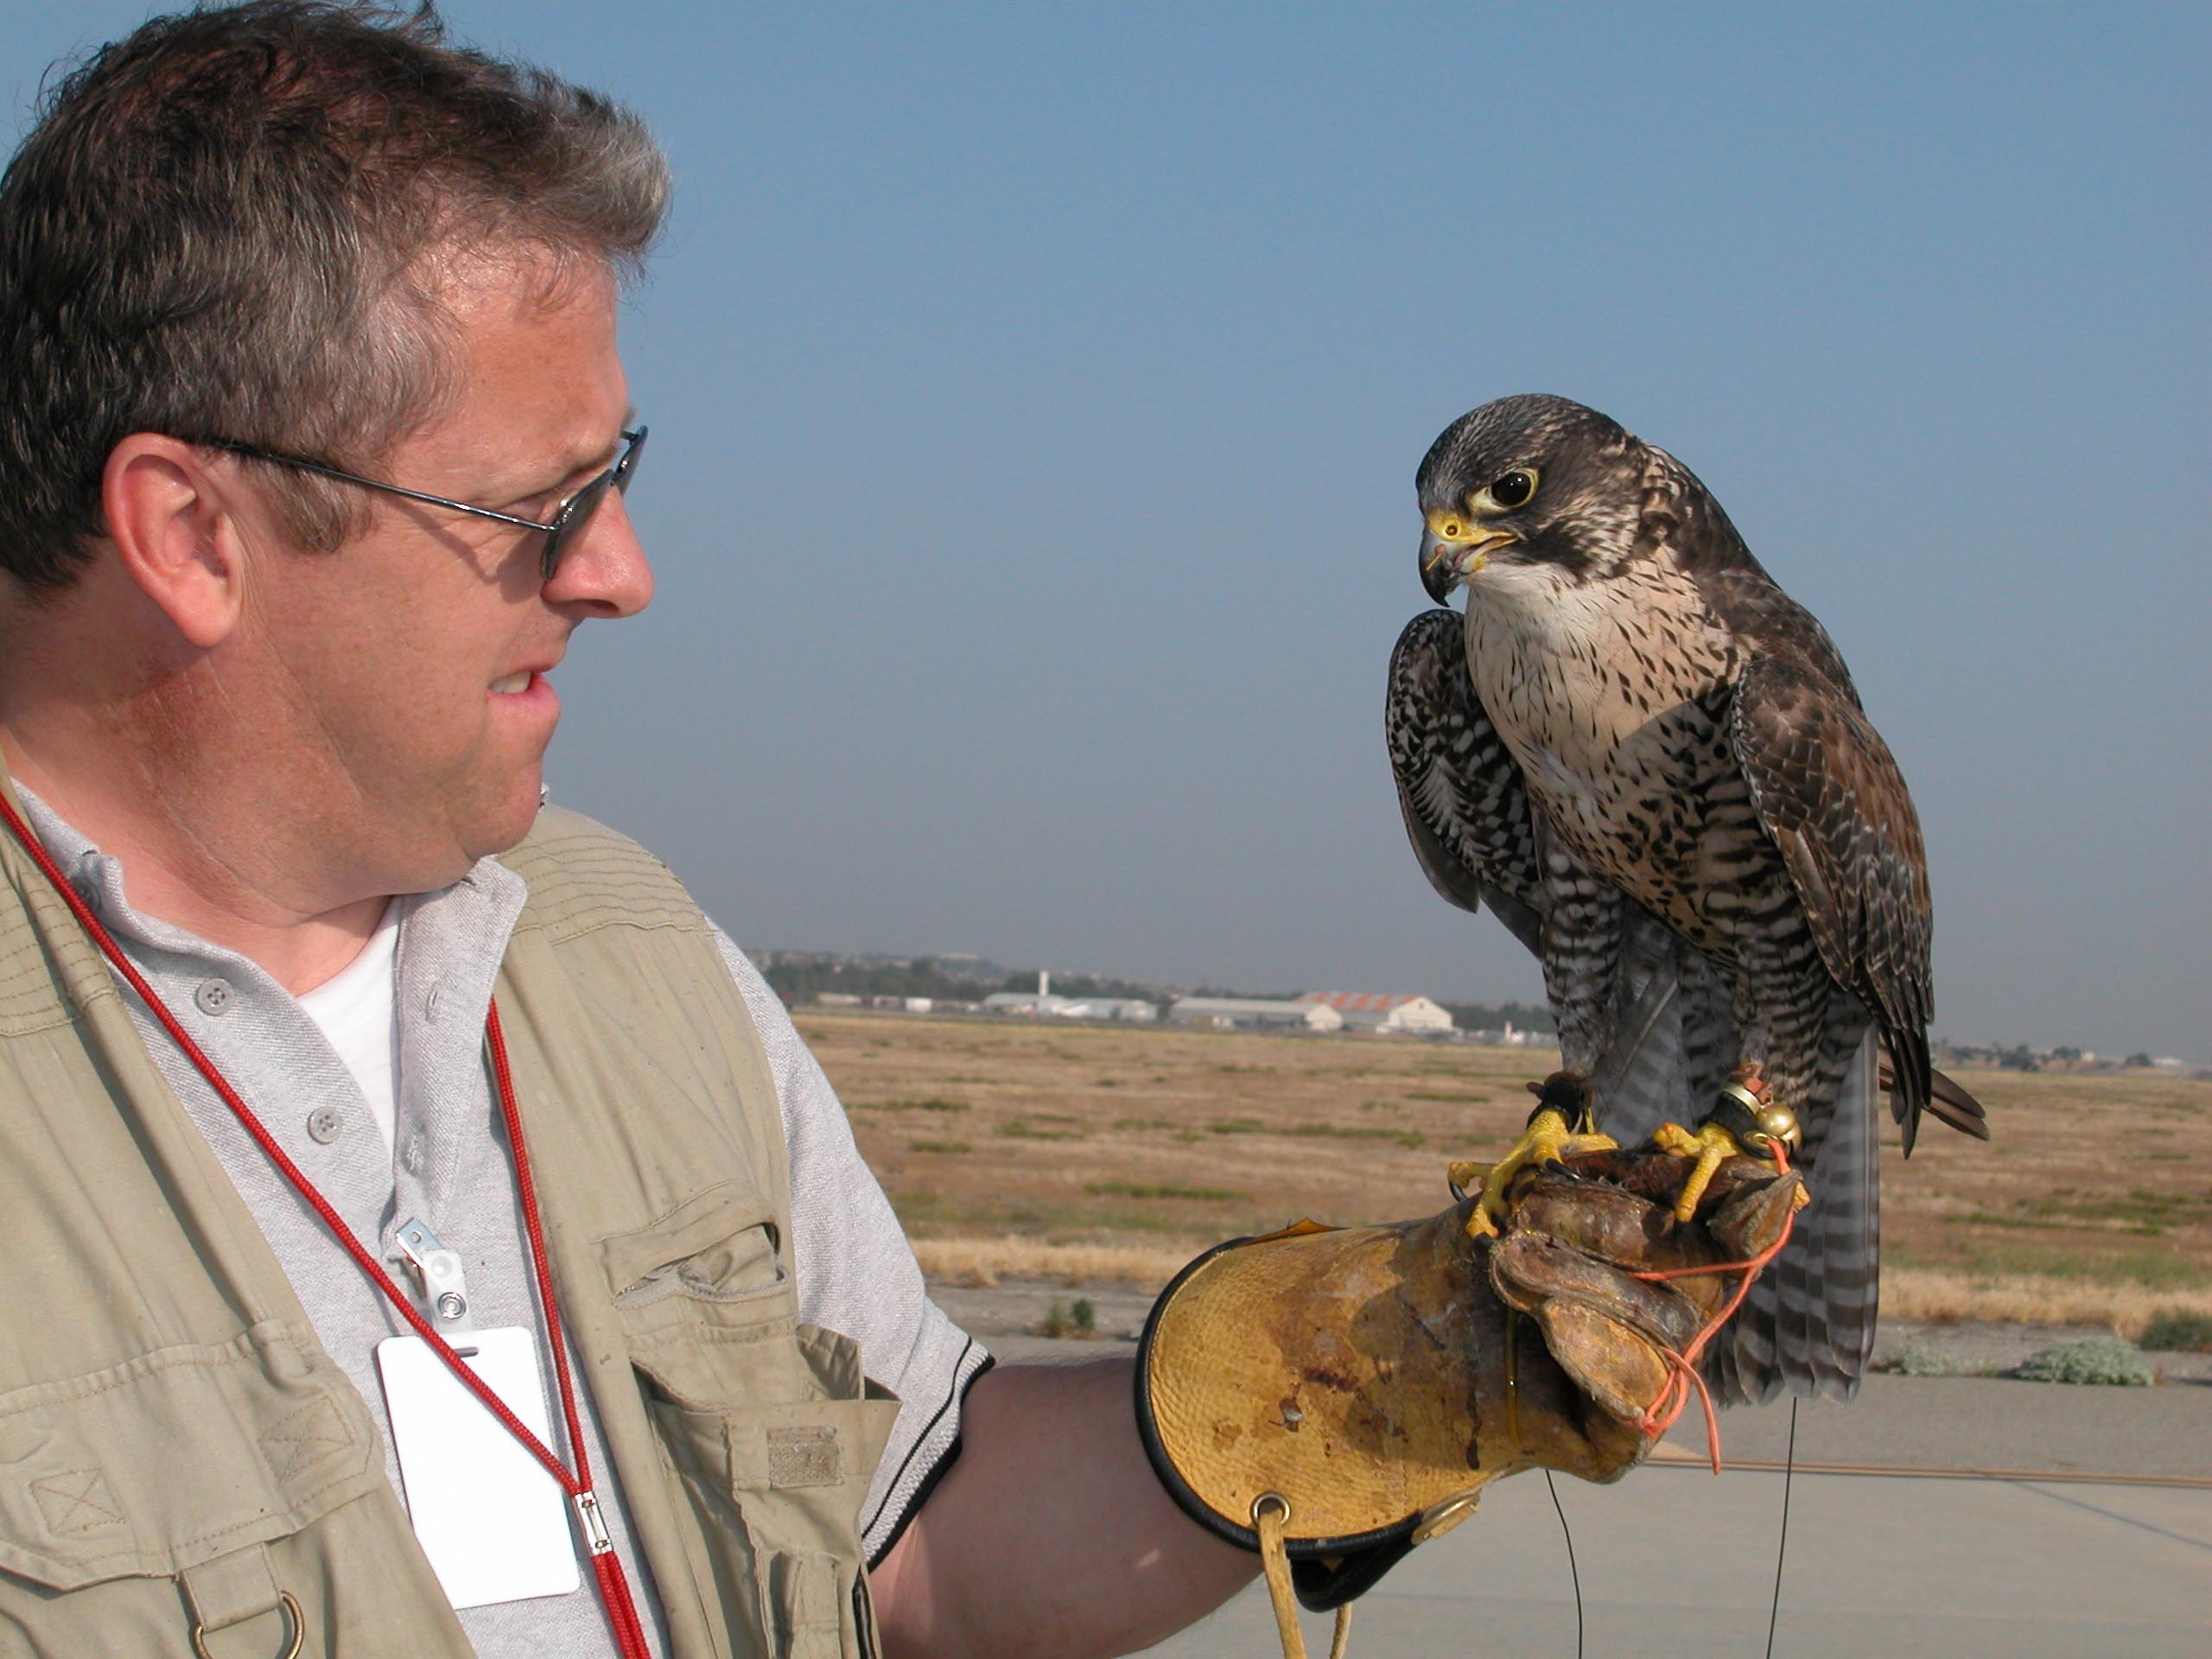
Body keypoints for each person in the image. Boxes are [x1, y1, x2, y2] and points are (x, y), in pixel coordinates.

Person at [0, 5, 1251, 1655]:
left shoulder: (620, 944)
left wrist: (1386, 1377)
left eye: (621, 474)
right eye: (539, 508)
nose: (620, 573)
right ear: (190, 534)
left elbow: (918, 1537)